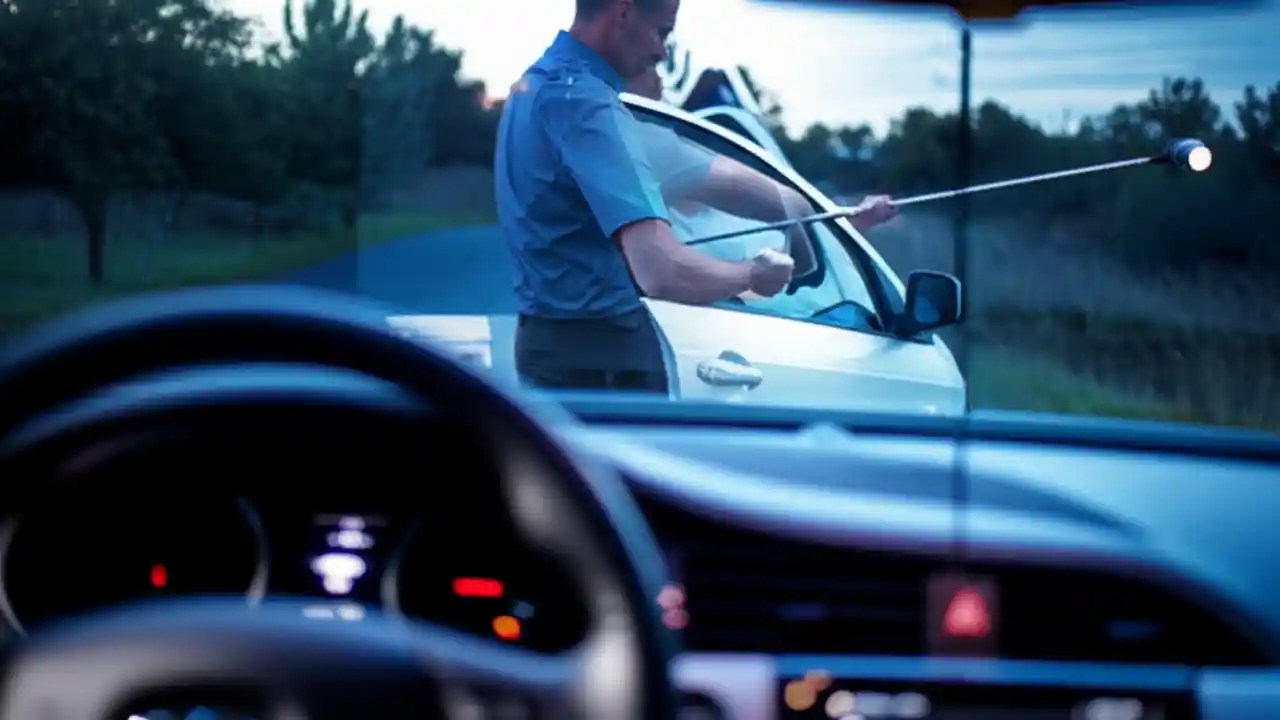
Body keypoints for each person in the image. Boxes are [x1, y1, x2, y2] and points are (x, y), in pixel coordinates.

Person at [495, 0, 794, 395]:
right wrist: (753, 276)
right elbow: (661, 269)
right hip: (603, 360)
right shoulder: (588, 106)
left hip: (544, 343)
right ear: (623, 12)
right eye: (662, 31)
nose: (662, 52)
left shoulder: (533, 84)